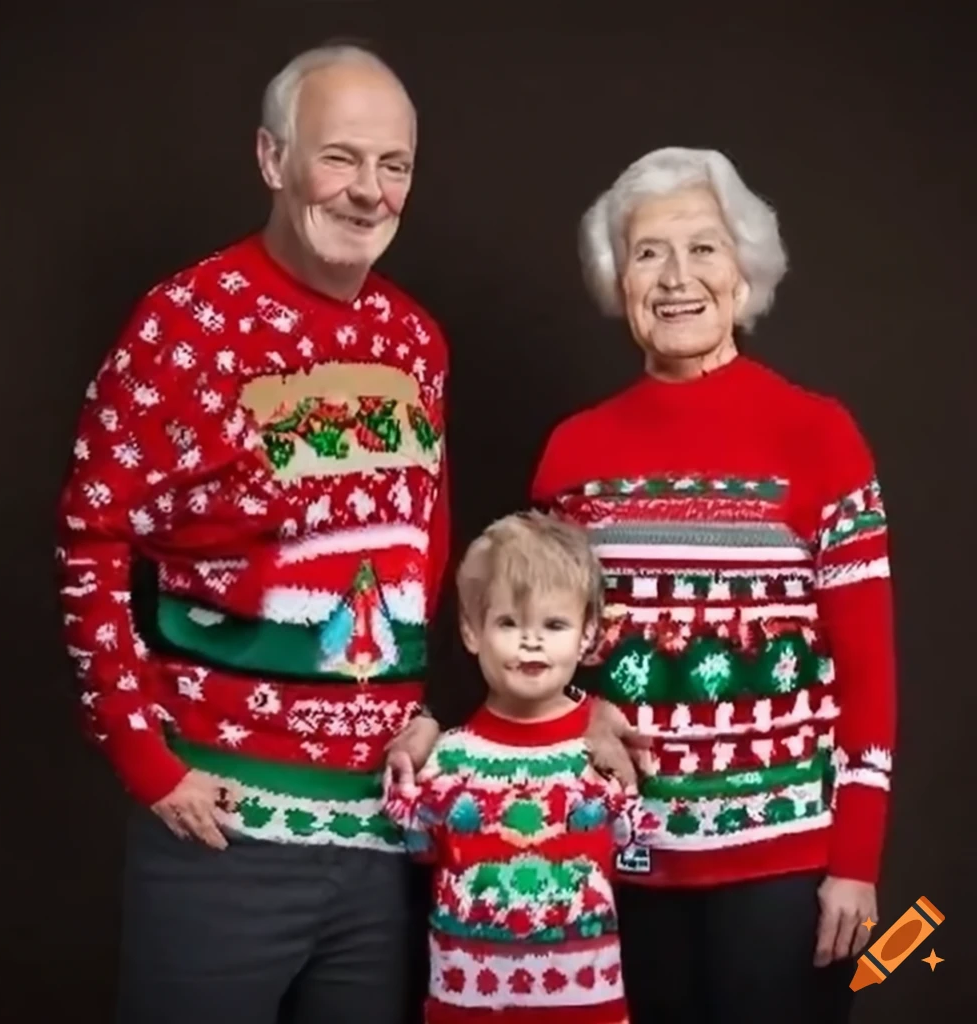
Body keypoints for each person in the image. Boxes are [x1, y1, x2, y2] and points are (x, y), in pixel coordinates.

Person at [56, 43, 449, 1024]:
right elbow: (94, 536)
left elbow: (420, 533)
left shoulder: (416, 339)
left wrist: (411, 697)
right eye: (340, 158)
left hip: (376, 837)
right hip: (224, 834)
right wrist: (145, 758)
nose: (367, 192)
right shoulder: (183, 325)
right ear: (273, 160)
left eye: (392, 165)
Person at [529, 147, 897, 1024]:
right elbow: (536, 653)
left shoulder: (819, 434)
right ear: (619, 280)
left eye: (704, 248)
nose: (676, 277)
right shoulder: (569, 454)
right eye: (649, 252)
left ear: (744, 273)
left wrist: (856, 861)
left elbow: (870, 670)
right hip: (614, 859)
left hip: (786, 866)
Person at [384, 511, 639, 1023]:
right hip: (467, 1003)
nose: (531, 640)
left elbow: (630, 843)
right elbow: (415, 847)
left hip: (584, 1005)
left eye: (554, 624)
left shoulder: (603, 752)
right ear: (471, 631)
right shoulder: (446, 757)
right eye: (508, 622)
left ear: (588, 634)